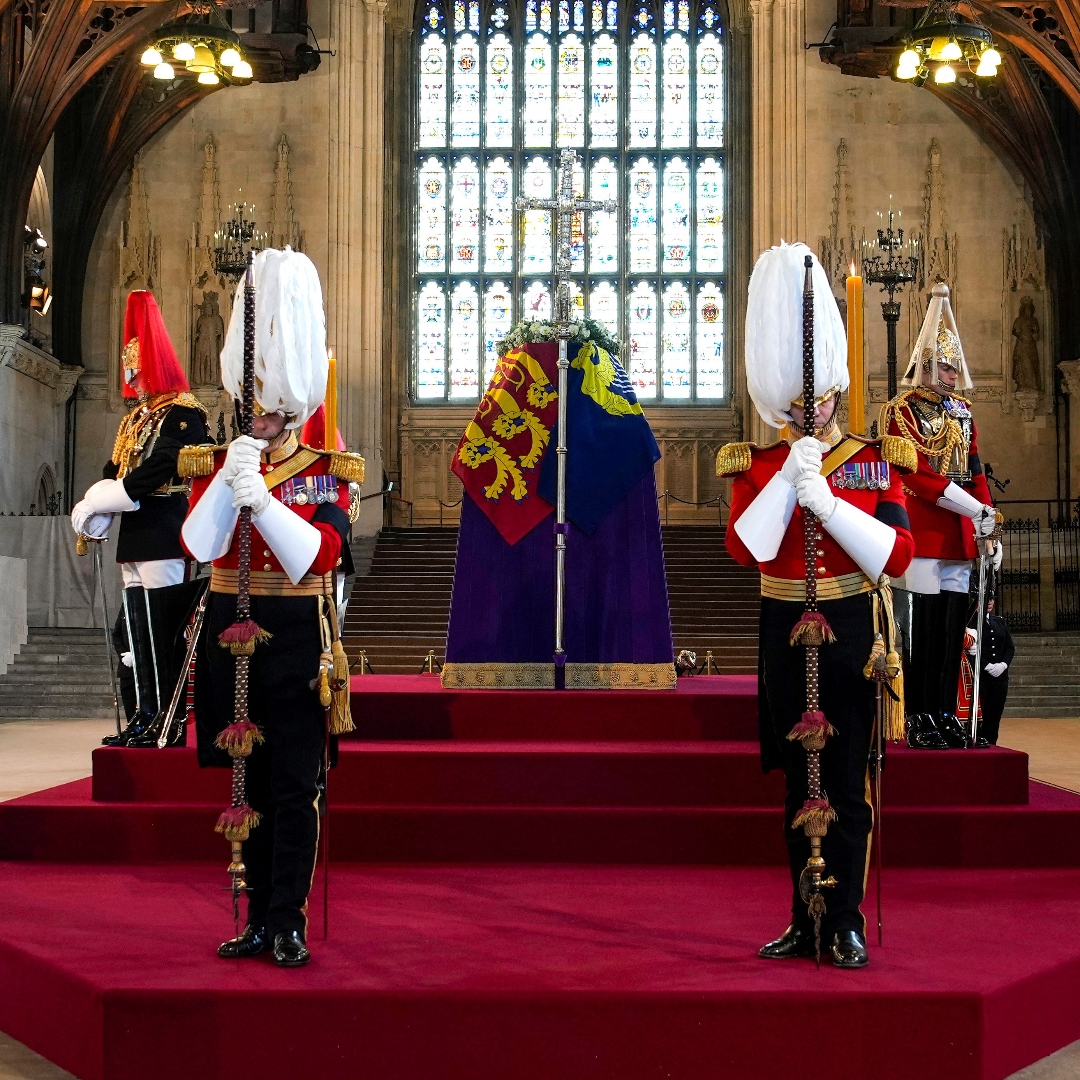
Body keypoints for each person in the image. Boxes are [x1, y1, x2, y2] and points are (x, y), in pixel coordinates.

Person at [717, 243, 916, 969]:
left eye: (822, 397)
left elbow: (896, 557)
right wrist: (785, 484)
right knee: (798, 784)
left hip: (853, 632)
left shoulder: (869, 458)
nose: (817, 408)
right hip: (783, 633)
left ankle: (846, 921)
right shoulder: (757, 463)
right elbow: (746, 551)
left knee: (847, 785)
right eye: (802, 402)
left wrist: (828, 503)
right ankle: (805, 916)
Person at [180, 247, 363, 968]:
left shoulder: (329, 468)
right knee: (242, 786)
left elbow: (318, 558)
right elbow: (200, 544)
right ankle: (253, 915)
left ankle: (286, 917)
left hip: (294, 638)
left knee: (294, 786)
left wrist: (267, 502)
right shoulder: (223, 460)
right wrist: (234, 483)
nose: (258, 410)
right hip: (230, 634)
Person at [70, 291, 210, 748]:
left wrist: (115, 495)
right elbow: (117, 466)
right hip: (135, 531)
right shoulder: (135, 419)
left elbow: (162, 465)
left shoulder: (184, 413)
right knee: (134, 634)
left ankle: (165, 721)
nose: (130, 376)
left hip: (165, 528)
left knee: (161, 632)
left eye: (136, 367)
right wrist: (99, 505)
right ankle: (143, 714)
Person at [879, 283, 1000, 751]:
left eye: (955, 366)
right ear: (927, 366)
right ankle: (919, 713)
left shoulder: (963, 414)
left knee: (952, 629)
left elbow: (975, 469)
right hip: (926, 531)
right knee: (925, 629)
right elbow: (919, 477)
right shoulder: (901, 413)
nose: (952, 375)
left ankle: (947, 713)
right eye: (946, 366)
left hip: (959, 535)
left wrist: (988, 520)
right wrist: (974, 508)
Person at [957, 597, 1014, 744]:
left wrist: (1003, 664)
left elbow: (1009, 647)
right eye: (985, 599)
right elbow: (969, 650)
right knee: (982, 714)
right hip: (980, 675)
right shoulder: (970, 623)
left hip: (1000, 676)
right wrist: (986, 665)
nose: (989, 602)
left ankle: (992, 743)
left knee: (996, 712)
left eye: (992, 599)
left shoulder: (999, 621)